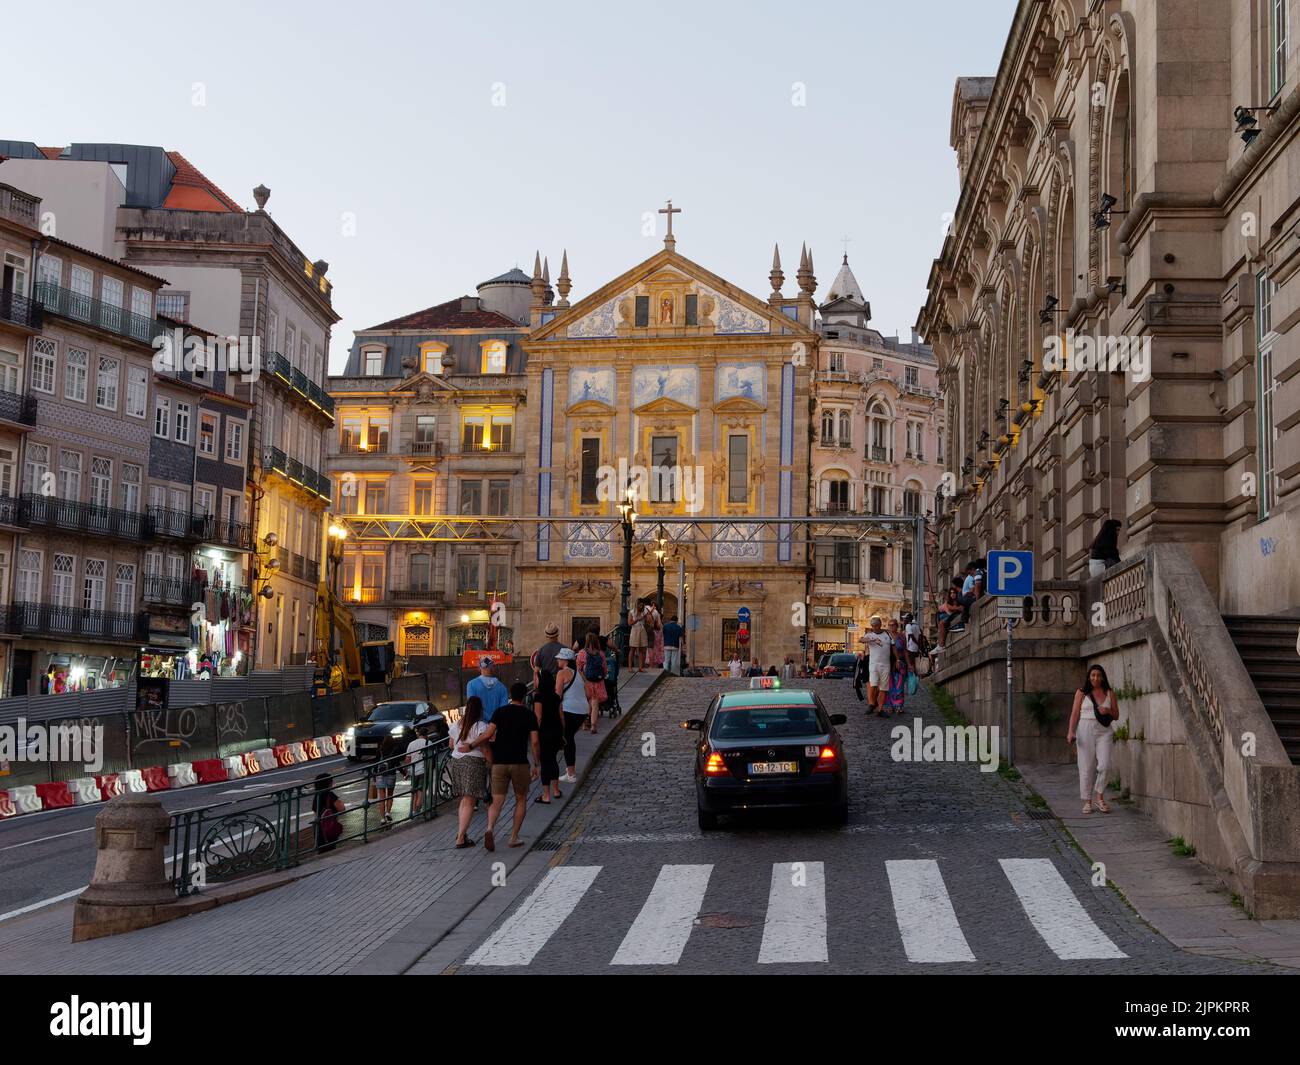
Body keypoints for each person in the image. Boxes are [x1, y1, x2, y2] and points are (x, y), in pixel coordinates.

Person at [485, 682, 540, 850]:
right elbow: (535, 742)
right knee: (521, 798)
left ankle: (489, 828)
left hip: (499, 763)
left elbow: (489, 734)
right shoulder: (529, 715)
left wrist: (473, 744)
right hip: (519, 763)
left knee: (497, 801)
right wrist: (536, 764)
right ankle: (514, 837)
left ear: (510, 694)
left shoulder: (500, 712)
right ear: (524, 696)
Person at [1068, 664, 1120, 815]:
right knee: (1086, 765)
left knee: (1105, 765)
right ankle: (1087, 801)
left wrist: (1108, 710)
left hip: (1104, 731)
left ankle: (1099, 796)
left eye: (1098, 675)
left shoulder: (1109, 692)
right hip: (1085, 729)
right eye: (1092, 675)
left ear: (1102, 677)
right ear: (1089, 677)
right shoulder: (1082, 693)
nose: (1095, 678)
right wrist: (1071, 731)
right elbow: (1074, 713)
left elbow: (1116, 715)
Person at [448, 695, 492, 848]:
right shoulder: (480, 726)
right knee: (470, 800)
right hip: (473, 763)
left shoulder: (456, 724)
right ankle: (460, 838)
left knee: (464, 800)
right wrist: (492, 763)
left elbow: (451, 744)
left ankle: (462, 833)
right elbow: (485, 747)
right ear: (480, 709)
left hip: (457, 762)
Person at [556, 647, 587, 783]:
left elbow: (558, 696)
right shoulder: (578, 673)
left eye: (559, 658)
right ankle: (570, 771)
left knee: (567, 739)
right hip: (583, 710)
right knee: (569, 738)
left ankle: (571, 774)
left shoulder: (561, 673)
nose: (557, 660)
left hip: (570, 709)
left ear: (565, 660)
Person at [576, 630, 607, 735]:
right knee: (595, 703)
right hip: (598, 681)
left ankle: (585, 723)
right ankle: (593, 725)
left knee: (586, 702)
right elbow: (605, 669)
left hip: (586, 682)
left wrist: (584, 680)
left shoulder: (581, 653)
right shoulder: (601, 653)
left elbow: (578, 669)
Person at [862, 616, 892, 716]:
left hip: (886, 664)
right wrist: (873, 640)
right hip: (874, 664)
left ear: (880, 625)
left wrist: (897, 659)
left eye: (877, 626)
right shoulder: (870, 635)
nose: (875, 627)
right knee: (873, 685)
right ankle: (871, 704)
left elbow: (893, 646)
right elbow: (861, 640)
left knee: (883, 688)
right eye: (873, 626)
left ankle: (880, 709)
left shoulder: (887, 634)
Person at [466, 656, 509, 723]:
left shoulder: (471, 685)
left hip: (478, 726)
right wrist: (493, 721)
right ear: (493, 668)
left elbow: (473, 707)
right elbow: (503, 710)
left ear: (480, 668)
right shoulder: (502, 687)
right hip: (496, 727)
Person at [313, 772, 345, 853]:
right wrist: (340, 801)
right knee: (330, 848)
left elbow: (315, 812)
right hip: (329, 827)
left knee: (322, 849)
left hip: (319, 829)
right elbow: (342, 809)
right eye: (331, 781)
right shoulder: (330, 795)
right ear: (328, 783)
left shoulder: (316, 796)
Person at [404, 724, 433, 815]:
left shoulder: (411, 744)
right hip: (424, 770)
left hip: (413, 771)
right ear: (426, 734)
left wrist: (406, 771)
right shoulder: (429, 743)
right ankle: (418, 810)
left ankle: (412, 811)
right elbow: (432, 757)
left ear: (418, 734)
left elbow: (407, 760)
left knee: (414, 792)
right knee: (421, 791)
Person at [372, 735, 400, 826]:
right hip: (391, 774)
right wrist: (404, 773)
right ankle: (388, 812)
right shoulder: (394, 750)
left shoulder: (380, 750)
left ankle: (382, 819)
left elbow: (376, 763)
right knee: (390, 795)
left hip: (380, 774)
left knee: (381, 798)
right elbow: (397, 763)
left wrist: (374, 775)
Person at [885, 618, 909, 714]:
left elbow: (905, 651)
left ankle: (899, 706)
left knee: (899, 685)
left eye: (893, 625)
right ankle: (890, 705)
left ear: (897, 626)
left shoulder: (902, 637)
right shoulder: (886, 637)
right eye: (889, 625)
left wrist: (910, 664)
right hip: (889, 663)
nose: (891, 627)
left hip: (901, 663)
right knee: (890, 685)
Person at [936, 587, 963, 651]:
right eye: (951, 593)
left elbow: (960, 609)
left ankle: (941, 645)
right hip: (949, 616)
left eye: (954, 593)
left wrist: (954, 608)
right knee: (940, 621)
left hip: (953, 616)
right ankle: (939, 644)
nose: (952, 594)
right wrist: (955, 608)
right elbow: (950, 609)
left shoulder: (959, 600)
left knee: (942, 623)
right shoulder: (949, 603)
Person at [628, 600, 650, 670]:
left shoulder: (644, 612)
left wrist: (647, 617)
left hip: (642, 630)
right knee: (633, 649)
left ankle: (641, 667)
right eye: (640, 605)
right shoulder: (632, 612)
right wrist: (637, 619)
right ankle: (630, 667)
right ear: (637, 605)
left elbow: (647, 622)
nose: (641, 607)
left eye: (642, 605)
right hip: (635, 630)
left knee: (642, 649)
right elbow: (629, 623)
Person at [646, 600, 664, 668]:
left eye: (654, 606)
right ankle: (652, 662)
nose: (653, 607)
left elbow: (658, 626)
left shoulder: (656, 614)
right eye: (652, 605)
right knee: (653, 648)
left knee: (654, 648)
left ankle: (653, 663)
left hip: (656, 632)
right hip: (655, 632)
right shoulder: (654, 613)